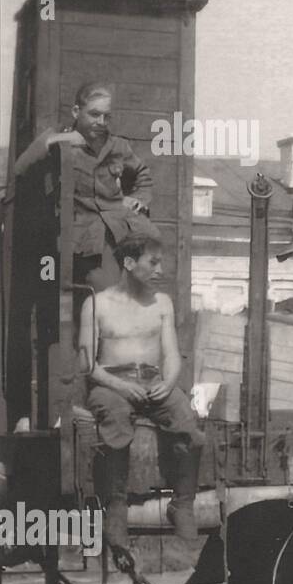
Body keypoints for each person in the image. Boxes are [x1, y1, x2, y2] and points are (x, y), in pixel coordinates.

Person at [78, 232, 204, 548]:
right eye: (153, 262)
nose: (160, 270)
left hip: (154, 382)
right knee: (116, 423)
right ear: (130, 263)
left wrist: (169, 382)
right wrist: (120, 385)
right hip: (111, 384)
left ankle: (183, 504)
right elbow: (87, 365)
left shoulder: (162, 303)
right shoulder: (97, 304)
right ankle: (116, 510)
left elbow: (172, 353)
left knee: (188, 426)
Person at [13, 81, 159, 304]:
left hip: (118, 234)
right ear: (76, 111)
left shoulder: (117, 146)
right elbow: (20, 168)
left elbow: (143, 174)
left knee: (141, 286)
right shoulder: (60, 143)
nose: (101, 122)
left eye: (106, 116)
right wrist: (56, 139)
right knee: (103, 295)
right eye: (94, 114)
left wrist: (139, 199)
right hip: (80, 239)